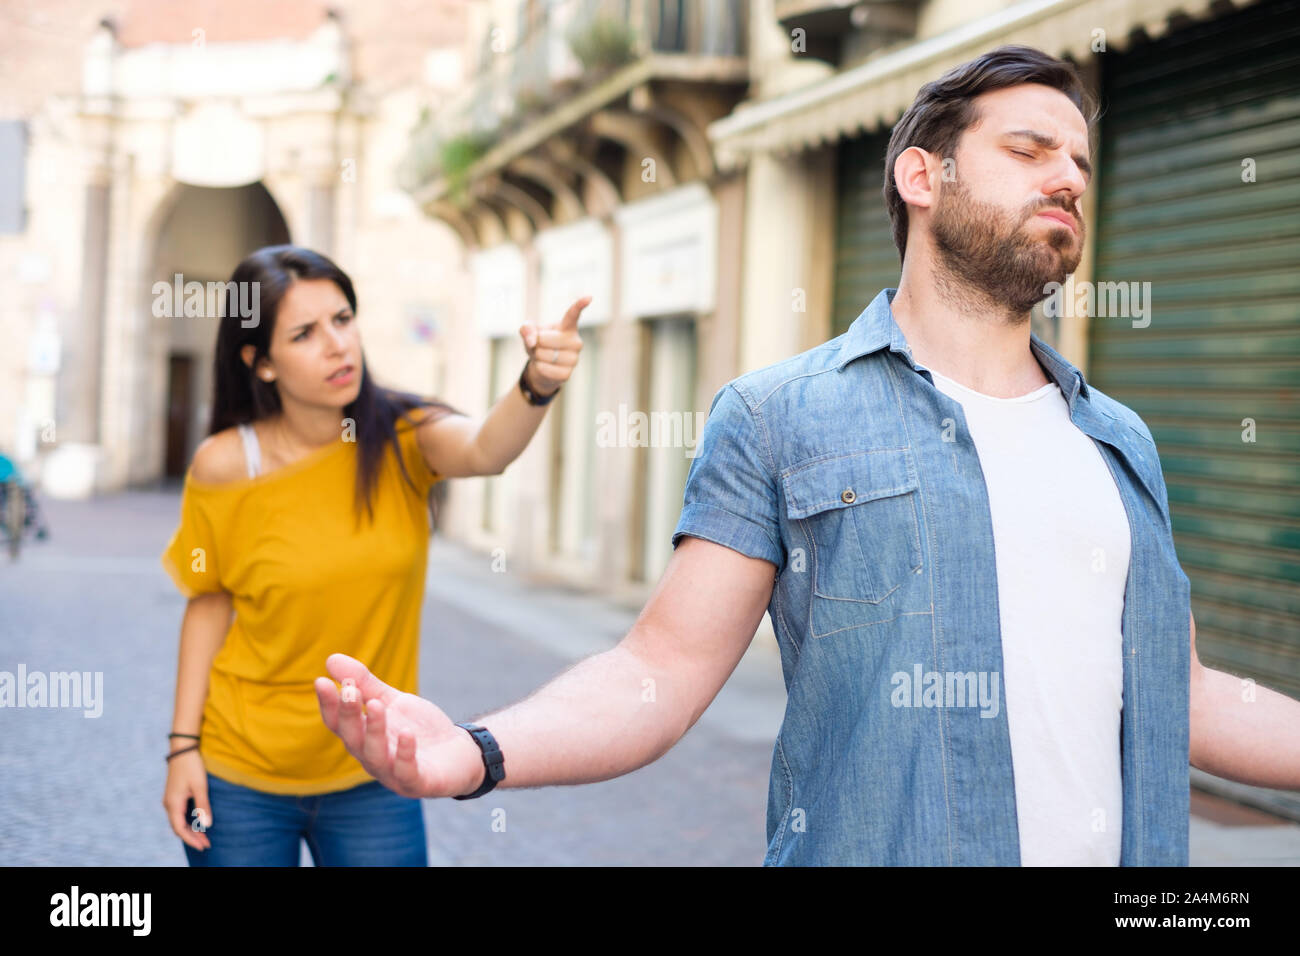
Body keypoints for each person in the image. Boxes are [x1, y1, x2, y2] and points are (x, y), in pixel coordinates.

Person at [314, 46, 1300, 866]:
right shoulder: (782, 414)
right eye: (1029, 150)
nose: (1067, 180)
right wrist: (477, 750)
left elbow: (1184, 694)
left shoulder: (1116, 438)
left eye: (1080, 164)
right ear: (924, 175)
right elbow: (659, 664)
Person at [160, 243, 588, 865]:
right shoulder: (225, 466)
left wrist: (536, 384)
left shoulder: (402, 438)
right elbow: (209, 603)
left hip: (375, 770)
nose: (338, 344)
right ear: (262, 362)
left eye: (342, 319)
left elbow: (486, 449)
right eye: (305, 333)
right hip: (241, 771)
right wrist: (182, 749)